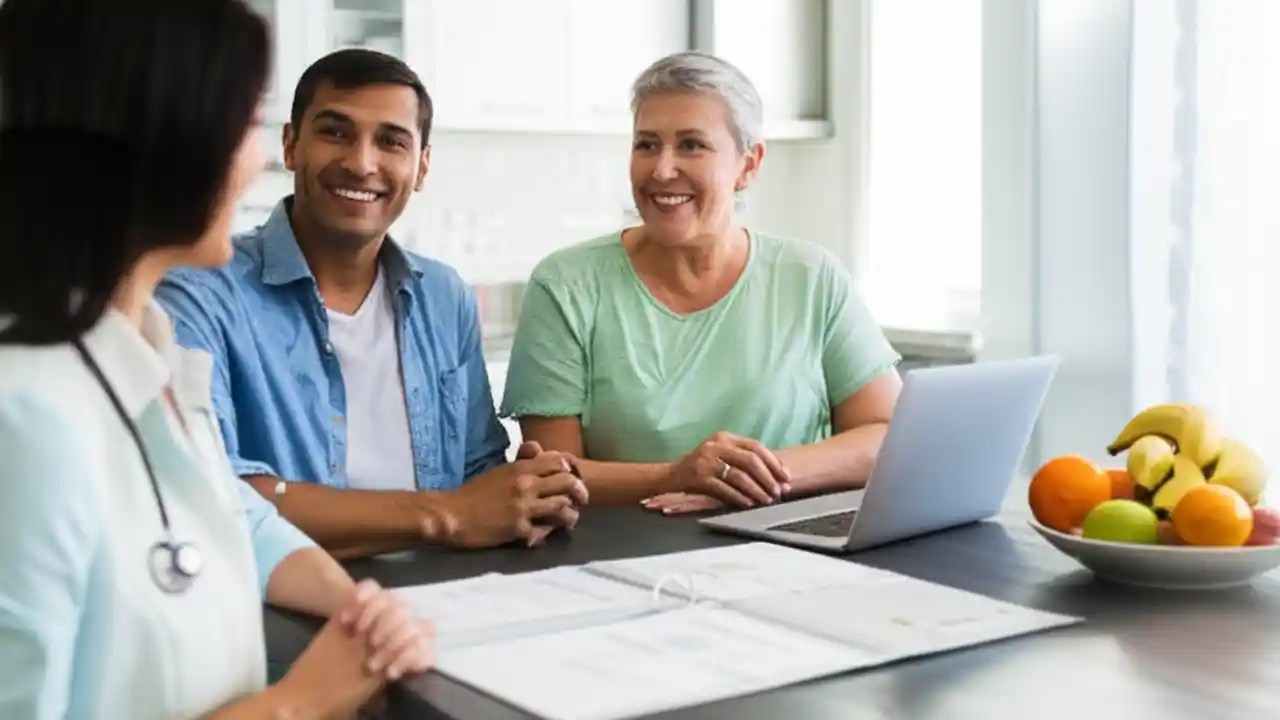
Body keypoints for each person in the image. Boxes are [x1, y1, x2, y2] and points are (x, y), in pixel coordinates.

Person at [0, 1, 433, 717]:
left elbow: (232, 516)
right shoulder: (25, 416)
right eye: (243, 125)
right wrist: (303, 700)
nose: (259, 159)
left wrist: (357, 607)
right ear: (163, 144)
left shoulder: (147, 347)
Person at [155, 49, 586, 558]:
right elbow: (211, 494)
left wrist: (528, 492)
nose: (361, 163)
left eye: (391, 141)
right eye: (335, 132)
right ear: (291, 146)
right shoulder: (200, 295)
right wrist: (443, 516)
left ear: (421, 166)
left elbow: (478, 472)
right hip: (293, 606)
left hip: (448, 591)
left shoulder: (443, 295)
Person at [501, 51, 904, 515]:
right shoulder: (565, 285)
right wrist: (676, 475)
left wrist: (753, 476)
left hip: (791, 546)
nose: (661, 169)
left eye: (691, 144)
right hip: (624, 552)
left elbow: (888, 435)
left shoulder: (812, 278)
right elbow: (550, 474)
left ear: (748, 165)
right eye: (646, 144)